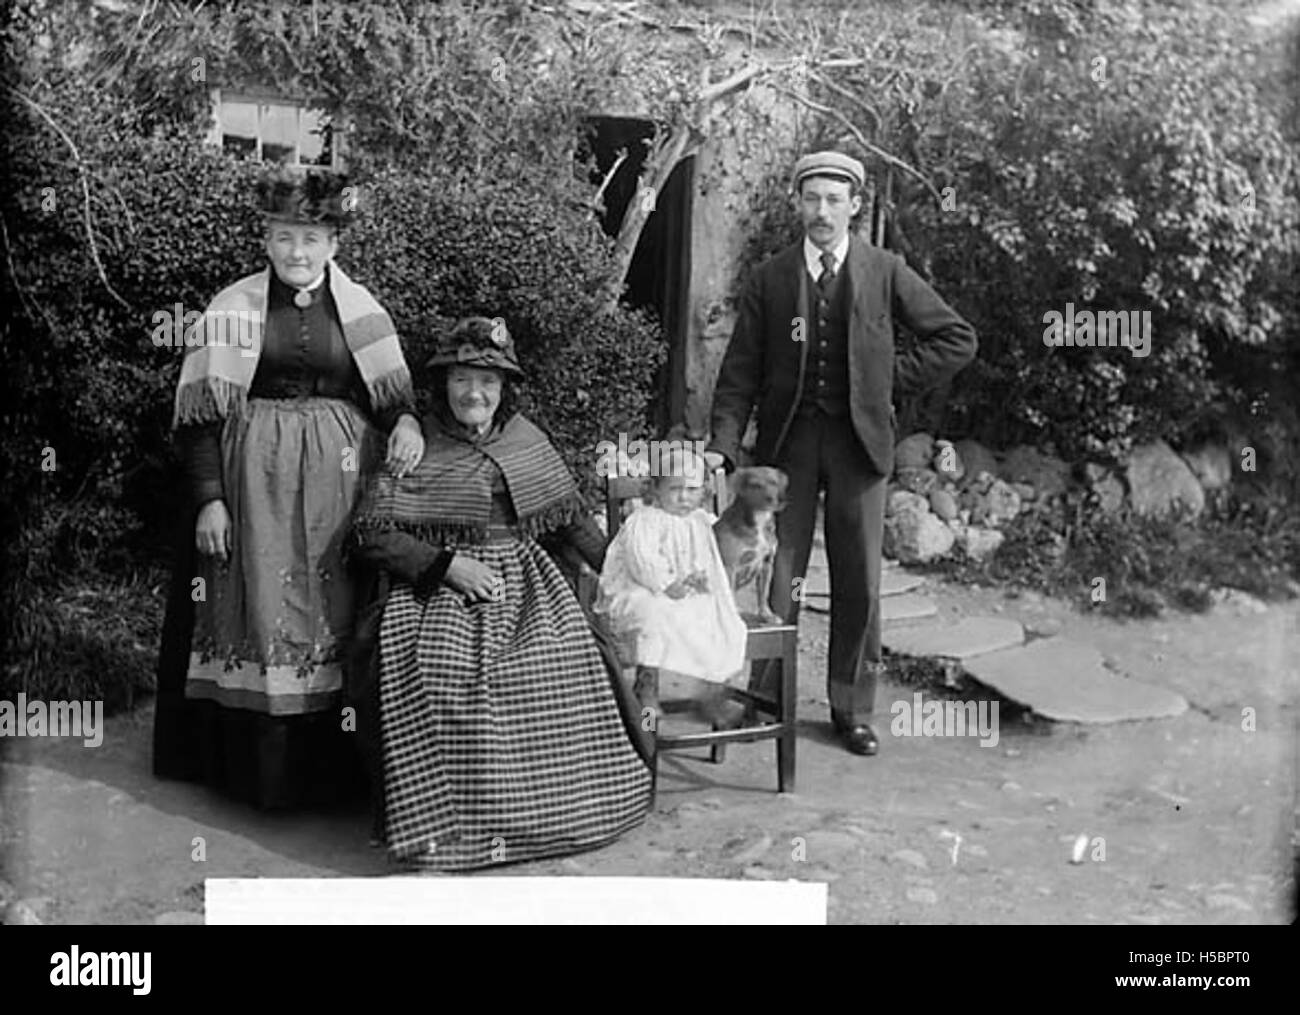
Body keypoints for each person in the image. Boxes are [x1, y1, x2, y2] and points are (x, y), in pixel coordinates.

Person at [153, 166, 425, 809]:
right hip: (252, 489)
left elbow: (389, 397)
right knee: (253, 608)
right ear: (265, 241)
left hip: (341, 487)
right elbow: (197, 419)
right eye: (283, 238)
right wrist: (209, 499)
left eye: (310, 238)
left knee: (333, 609)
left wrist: (408, 420)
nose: (296, 252)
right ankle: (253, 778)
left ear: (334, 243)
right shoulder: (231, 308)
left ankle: (332, 775)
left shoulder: (361, 311)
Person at [349, 316, 653, 870]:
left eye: (488, 383)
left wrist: (626, 573)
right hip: (436, 591)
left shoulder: (525, 439)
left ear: (503, 389)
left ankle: (564, 816)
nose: (474, 393)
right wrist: (444, 565)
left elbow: (570, 524)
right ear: (444, 384)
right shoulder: (416, 445)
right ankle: (449, 828)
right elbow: (369, 534)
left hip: (527, 585)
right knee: (442, 672)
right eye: (463, 379)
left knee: (563, 657)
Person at [705, 150, 977, 757]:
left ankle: (851, 710)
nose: (822, 211)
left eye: (834, 200)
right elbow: (738, 375)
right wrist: (724, 448)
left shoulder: (885, 271)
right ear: (798, 204)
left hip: (860, 447)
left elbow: (956, 338)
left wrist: (886, 381)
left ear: (856, 206)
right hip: (787, 451)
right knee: (780, 577)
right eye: (812, 199)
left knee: (860, 581)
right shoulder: (771, 278)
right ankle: (768, 701)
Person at [594, 446, 748, 727]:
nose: (684, 497)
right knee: (654, 616)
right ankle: (647, 686)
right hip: (645, 589)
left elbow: (713, 555)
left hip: (686, 592)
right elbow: (642, 560)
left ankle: (712, 692)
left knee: (719, 619)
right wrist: (666, 583)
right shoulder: (645, 520)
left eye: (692, 490)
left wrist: (701, 577)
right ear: (655, 489)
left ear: (703, 491)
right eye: (675, 488)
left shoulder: (702, 521)